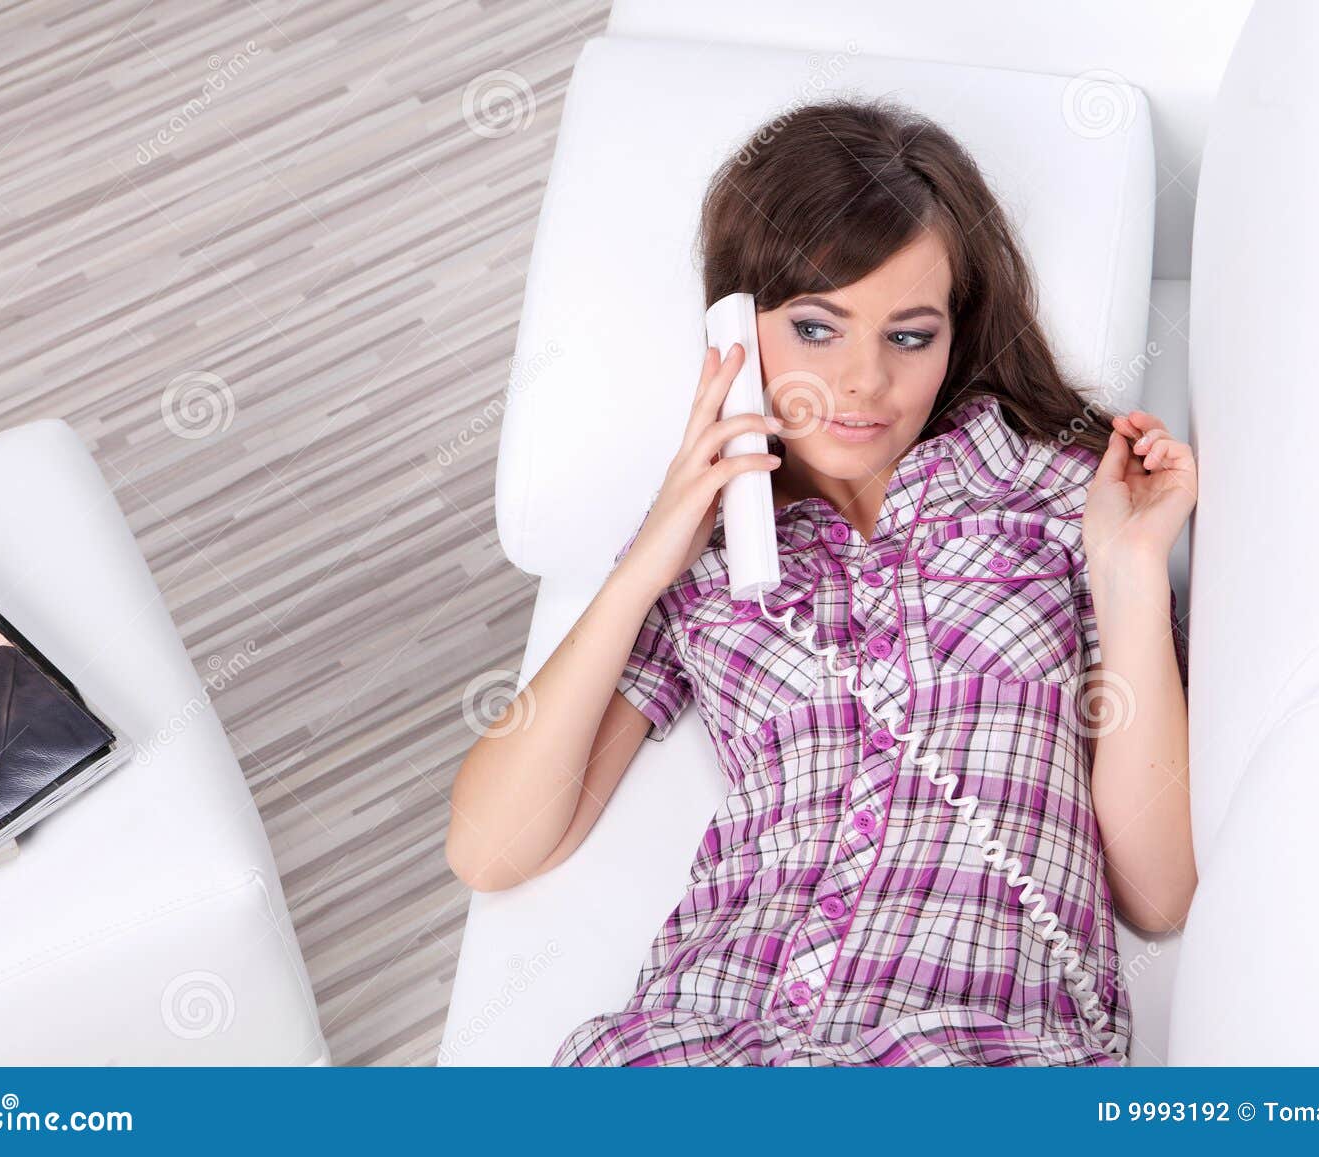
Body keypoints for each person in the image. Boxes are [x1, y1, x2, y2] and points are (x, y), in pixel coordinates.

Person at [446, 96, 1194, 1067]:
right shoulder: (707, 555)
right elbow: (491, 848)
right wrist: (647, 564)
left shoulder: (1062, 499)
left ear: (956, 334)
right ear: (738, 330)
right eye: (814, 326)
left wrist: (1128, 568)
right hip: (700, 1038)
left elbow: (1158, 889)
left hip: (971, 1048)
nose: (860, 383)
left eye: (908, 335)